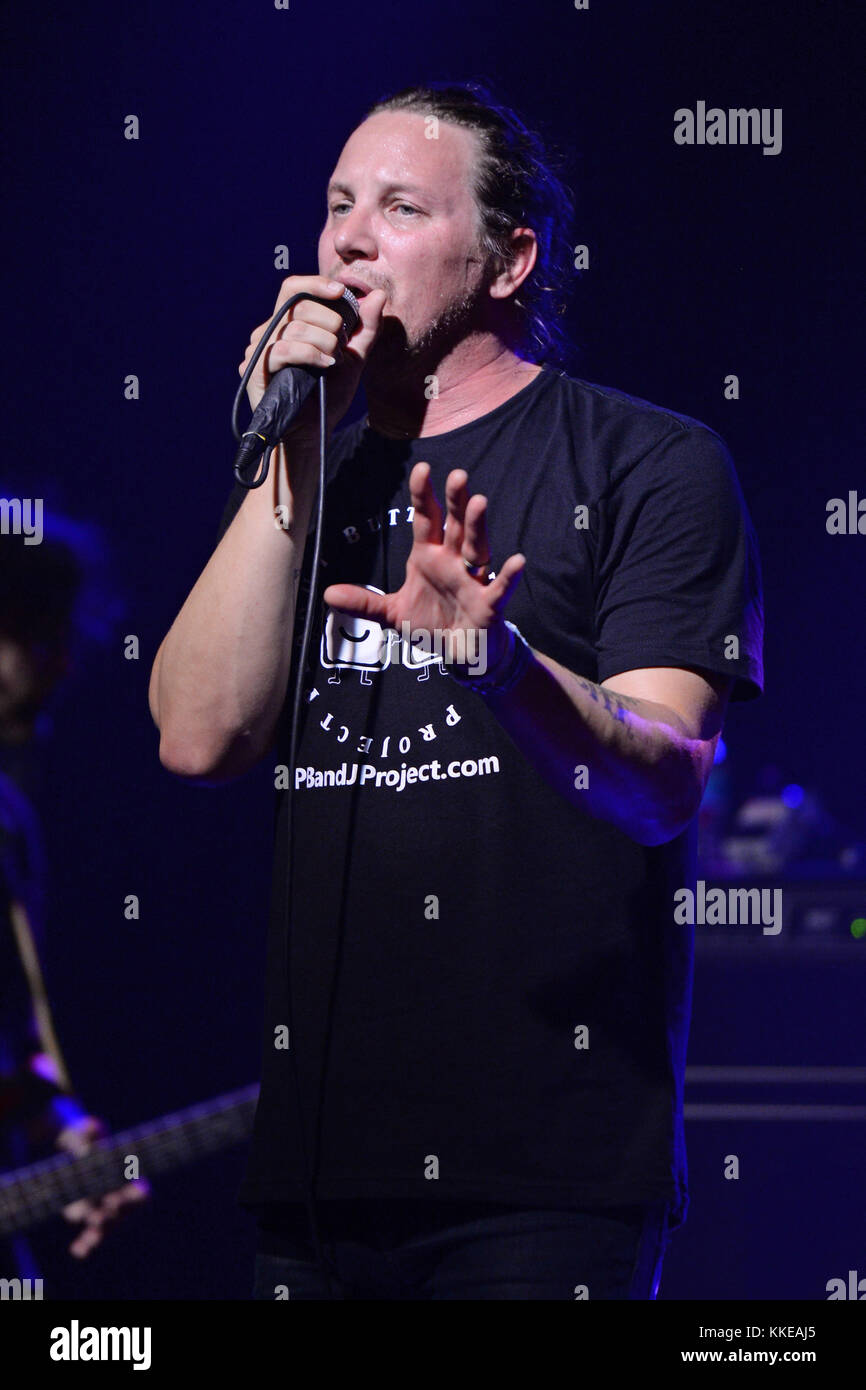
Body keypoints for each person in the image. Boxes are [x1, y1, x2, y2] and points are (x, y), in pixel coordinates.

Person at [148, 81, 764, 1300]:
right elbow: (197, 734)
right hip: (319, 1177)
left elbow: (662, 781)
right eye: (334, 206)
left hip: (541, 1177)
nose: (346, 240)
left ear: (507, 258)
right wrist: (298, 446)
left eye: (397, 206)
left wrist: (500, 665)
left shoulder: (648, 462)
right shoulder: (309, 468)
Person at [0, 512, 147, 1280]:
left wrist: (69, 1139)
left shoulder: (7, 820)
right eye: (37, 638)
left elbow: (20, 1055)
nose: (59, 666)